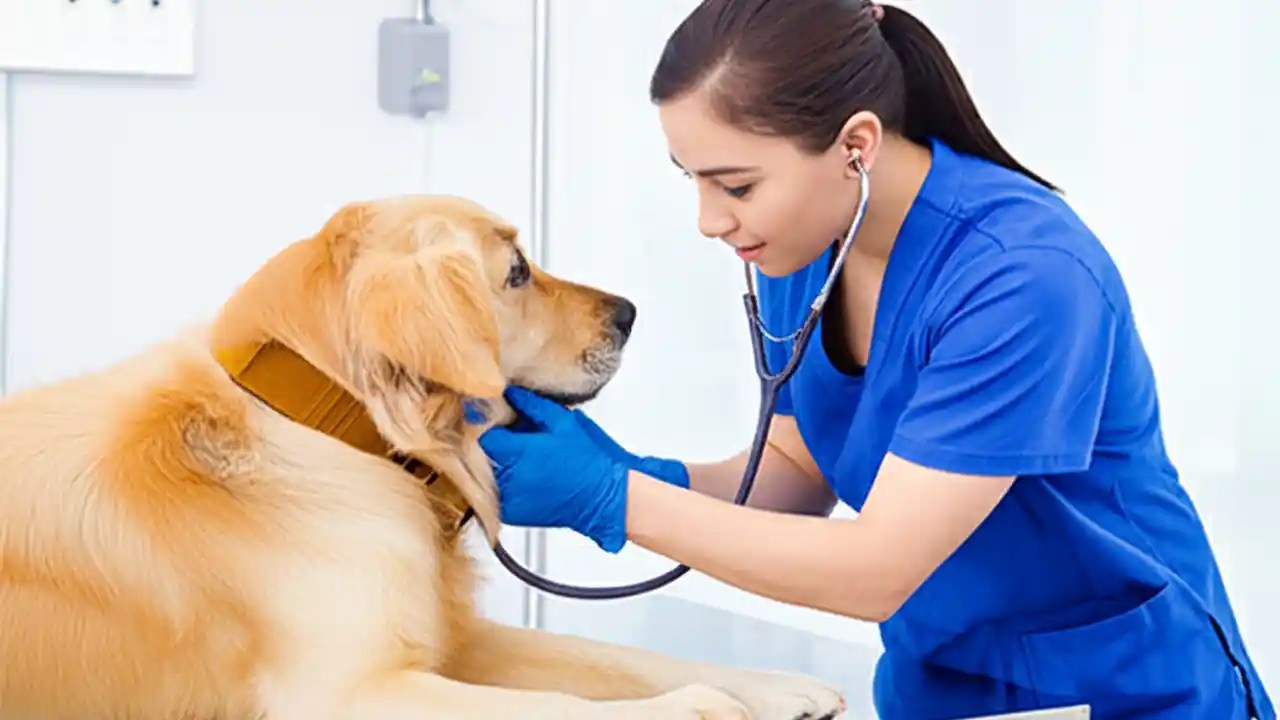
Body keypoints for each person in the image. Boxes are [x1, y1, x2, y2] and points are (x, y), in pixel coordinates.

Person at [476, 1, 1273, 718]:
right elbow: (792, 474)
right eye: (693, 180)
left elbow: (876, 568)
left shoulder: (1024, 275)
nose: (708, 220)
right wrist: (633, 472)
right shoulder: (802, 250)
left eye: (737, 186)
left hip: (1122, 690)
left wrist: (611, 501)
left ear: (855, 145)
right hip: (938, 687)